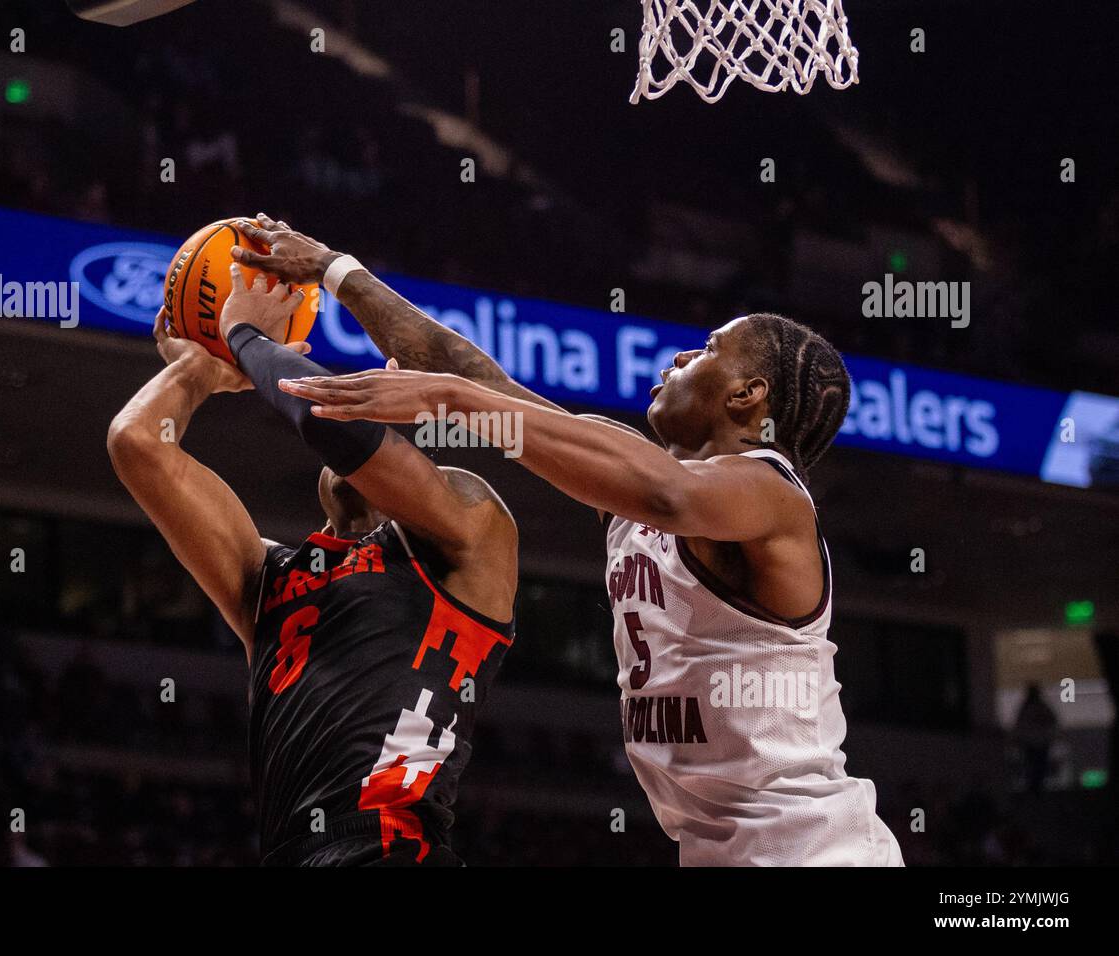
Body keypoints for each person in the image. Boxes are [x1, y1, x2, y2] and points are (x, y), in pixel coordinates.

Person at [235, 214, 903, 866]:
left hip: (818, 849)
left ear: (747, 396)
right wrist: (336, 269)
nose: (679, 355)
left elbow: (667, 492)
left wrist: (453, 401)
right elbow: (470, 374)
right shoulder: (630, 487)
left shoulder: (774, 496)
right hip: (719, 849)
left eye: (705, 351)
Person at [107, 264, 518, 866]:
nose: (358, 392)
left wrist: (247, 339)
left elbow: (341, 433)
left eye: (372, 389)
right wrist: (197, 369)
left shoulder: (470, 527)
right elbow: (135, 443)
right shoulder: (267, 579)